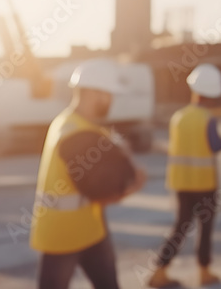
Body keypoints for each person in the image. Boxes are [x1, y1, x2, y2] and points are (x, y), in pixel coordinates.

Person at [30, 59, 146, 289]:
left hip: (89, 231)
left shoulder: (68, 122)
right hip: (64, 236)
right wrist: (135, 182)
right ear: (94, 93)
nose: (111, 100)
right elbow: (102, 191)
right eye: (109, 94)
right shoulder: (78, 136)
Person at [148, 63, 221, 287]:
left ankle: (159, 270)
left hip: (181, 184)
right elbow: (214, 146)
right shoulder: (207, 119)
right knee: (205, 229)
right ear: (213, 94)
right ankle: (204, 272)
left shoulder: (179, 117)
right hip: (204, 184)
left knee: (180, 228)